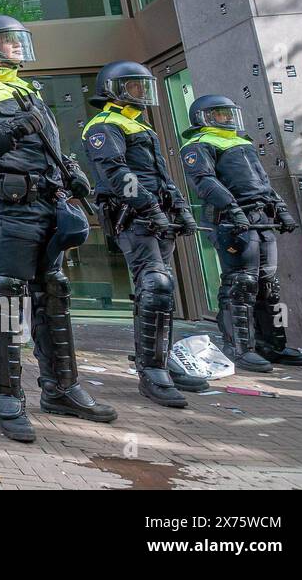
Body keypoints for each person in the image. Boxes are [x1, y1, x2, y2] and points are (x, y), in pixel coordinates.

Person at [0, 15, 115, 443]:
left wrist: (72, 172)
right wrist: (10, 130)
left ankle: (61, 388)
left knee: (53, 291)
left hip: (49, 200)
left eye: (19, 40)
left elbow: (50, 146)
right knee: (5, 291)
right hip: (9, 204)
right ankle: (7, 396)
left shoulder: (27, 90)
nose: (17, 47)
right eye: (7, 41)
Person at [81, 61, 205, 407]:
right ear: (114, 89)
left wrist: (179, 207)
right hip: (133, 217)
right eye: (134, 86)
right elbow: (117, 174)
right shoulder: (104, 125)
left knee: (163, 290)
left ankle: (160, 362)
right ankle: (152, 372)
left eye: (142, 86)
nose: (141, 92)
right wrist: (149, 207)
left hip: (157, 216)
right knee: (155, 285)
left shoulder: (140, 126)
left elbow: (162, 175)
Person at [180, 95, 302, 371]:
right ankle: (239, 347)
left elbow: (262, 182)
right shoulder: (198, 144)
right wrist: (232, 209)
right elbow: (205, 182)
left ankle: (273, 344)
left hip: (260, 218)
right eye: (220, 114)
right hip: (230, 220)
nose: (227, 119)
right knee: (241, 283)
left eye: (229, 114)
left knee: (268, 285)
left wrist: (280, 210)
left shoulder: (242, 141)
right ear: (204, 117)